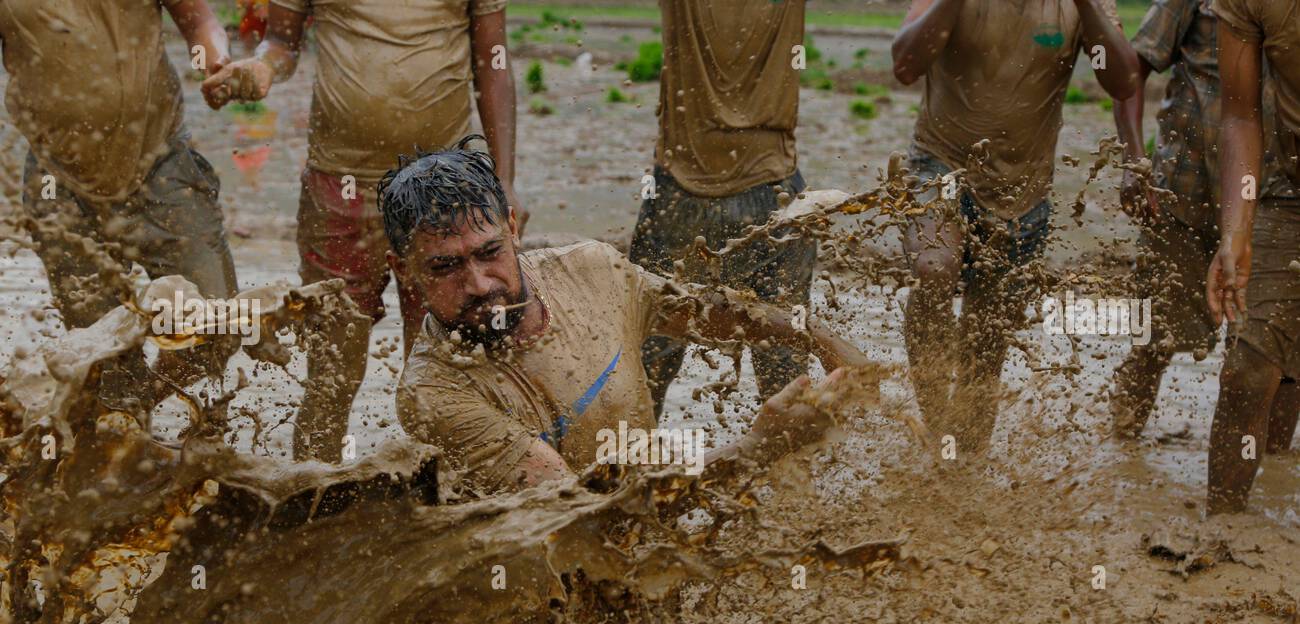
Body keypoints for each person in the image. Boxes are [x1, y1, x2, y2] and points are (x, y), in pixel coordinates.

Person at [386, 140, 872, 497]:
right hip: (545, 576)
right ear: (404, 271)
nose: (479, 285)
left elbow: (703, 311)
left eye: (489, 252)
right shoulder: (433, 393)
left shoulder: (592, 269)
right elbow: (577, 510)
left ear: (512, 228)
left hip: (651, 522)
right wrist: (758, 447)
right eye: (445, 266)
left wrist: (815, 336)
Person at [202, 0, 525, 460]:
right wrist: (263, 68)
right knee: (331, 367)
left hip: (442, 195)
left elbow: (493, 61)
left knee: (444, 366)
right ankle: (313, 500)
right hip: (340, 186)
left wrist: (504, 180)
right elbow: (281, 44)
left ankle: (446, 499)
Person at [891, 0, 1139, 453]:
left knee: (986, 348)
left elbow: (1123, 80)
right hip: (939, 166)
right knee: (933, 269)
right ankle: (934, 421)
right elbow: (905, 65)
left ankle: (965, 467)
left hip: (1022, 194)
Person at [0, 0, 239, 422]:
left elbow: (197, 18)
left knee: (218, 323)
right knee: (102, 354)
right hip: (60, 181)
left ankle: (140, 401)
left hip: (161, 164)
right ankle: (120, 439)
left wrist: (214, 59)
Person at [1111, 0, 1298, 446]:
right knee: (1156, 333)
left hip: (1276, 198)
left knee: (1280, 355)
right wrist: (1134, 160)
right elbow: (1129, 71)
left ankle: (1269, 462)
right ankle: (1121, 442)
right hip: (1187, 195)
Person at [632, 0, 817, 423]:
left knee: (645, 365)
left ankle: (622, 478)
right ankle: (791, 480)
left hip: (679, 196)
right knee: (785, 364)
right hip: (776, 193)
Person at [1205, 0, 1300, 512]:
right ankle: (1222, 539)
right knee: (1247, 368)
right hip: (1291, 188)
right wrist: (1236, 232)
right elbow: (1241, 114)